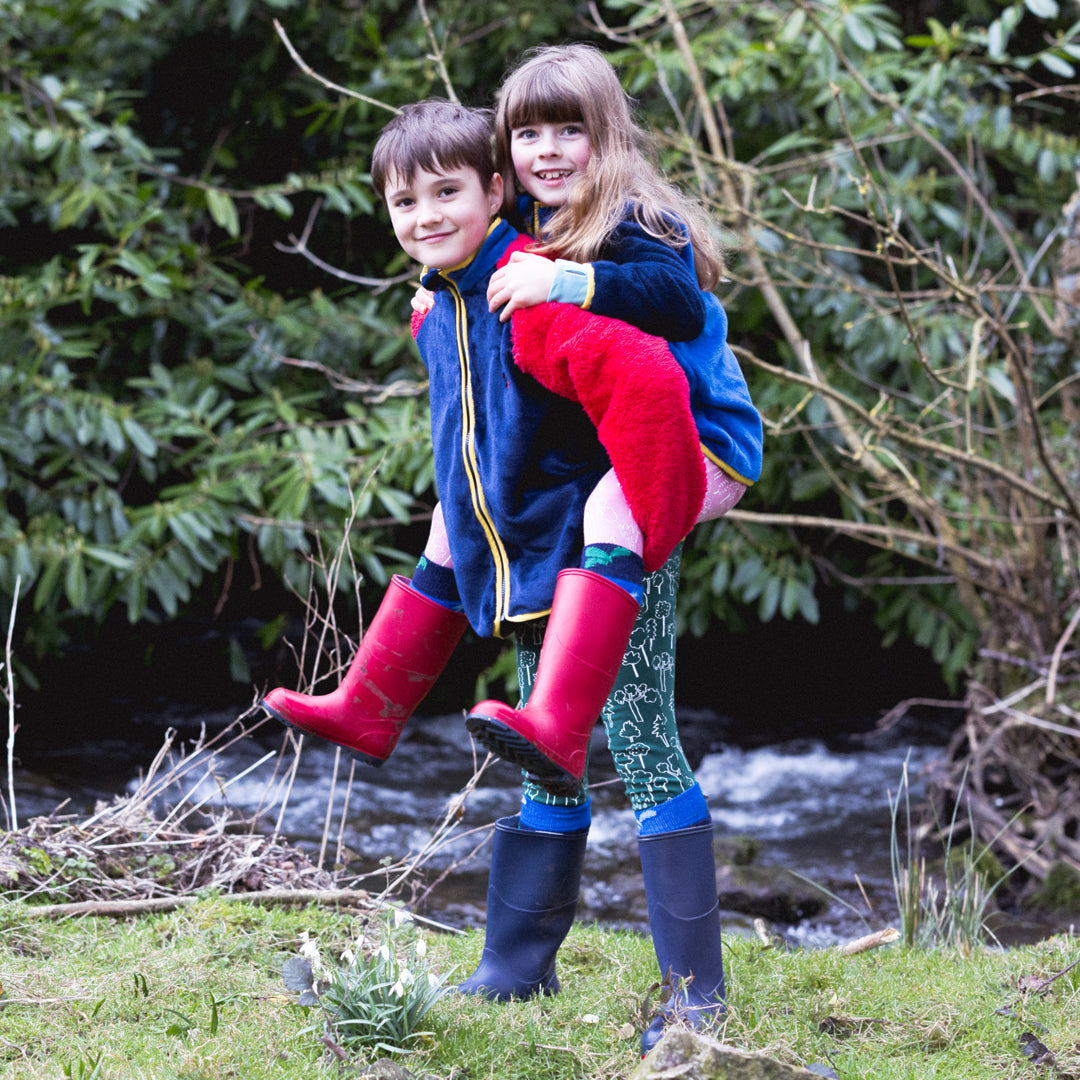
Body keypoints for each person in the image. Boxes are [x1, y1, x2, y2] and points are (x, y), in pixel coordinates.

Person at [457, 43, 763, 1055]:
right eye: (528, 133)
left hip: (687, 451)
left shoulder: (639, 221)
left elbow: (672, 304)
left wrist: (570, 284)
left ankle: (696, 999)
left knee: (639, 736)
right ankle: (513, 970)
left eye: (568, 130)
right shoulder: (526, 228)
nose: (548, 151)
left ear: (608, 136)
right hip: (572, 503)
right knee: (553, 760)